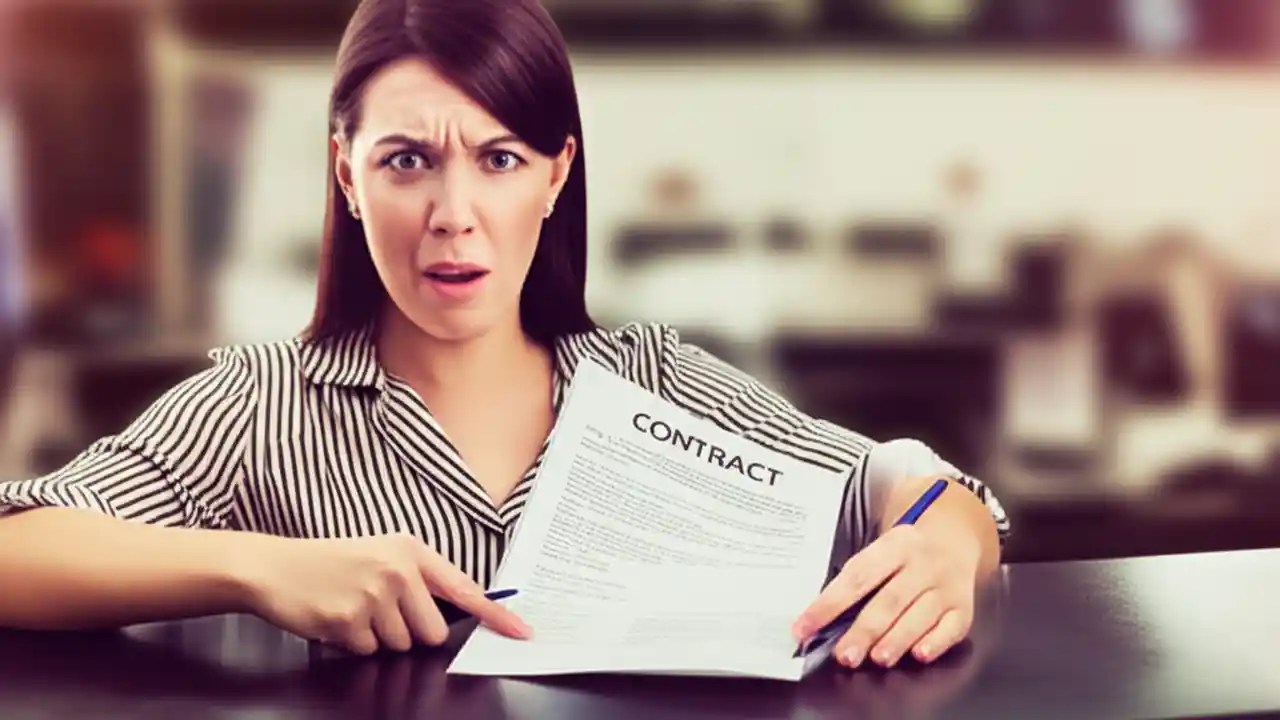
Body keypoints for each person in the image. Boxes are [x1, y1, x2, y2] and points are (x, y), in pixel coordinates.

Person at [0, 0, 1009, 670]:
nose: (453, 214)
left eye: (498, 157)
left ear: (555, 175)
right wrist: (259, 569)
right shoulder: (260, 405)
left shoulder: (653, 380)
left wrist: (943, 537)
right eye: (405, 162)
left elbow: (916, 489)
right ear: (347, 175)